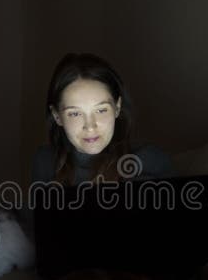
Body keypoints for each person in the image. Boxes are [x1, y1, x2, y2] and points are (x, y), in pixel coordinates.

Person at [31, 52, 174, 185]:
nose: (90, 126)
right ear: (57, 116)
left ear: (117, 108)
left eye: (101, 110)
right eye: (75, 113)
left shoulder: (150, 160)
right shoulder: (45, 162)